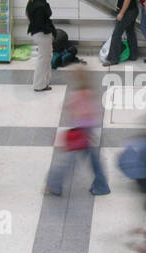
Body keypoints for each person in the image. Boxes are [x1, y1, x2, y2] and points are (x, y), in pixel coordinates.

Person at [45, 69, 109, 197]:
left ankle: (54, 185)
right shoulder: (90, 93)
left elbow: (67, 107)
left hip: (80, 132)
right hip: (87, 132)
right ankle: (101, 185)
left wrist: (74, 113)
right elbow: (95, 112)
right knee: (92, 160)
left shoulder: (78, 94)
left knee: (69, 160)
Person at [26, 0, 54, 91]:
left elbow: (29, 16)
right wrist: (49, 30)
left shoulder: (33, 1)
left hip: (37, 33)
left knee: (45, 58)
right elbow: (40, 22)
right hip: (42, 35)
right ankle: (39, 85)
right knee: (43, 59)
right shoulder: (40, 5)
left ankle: (44, 82)